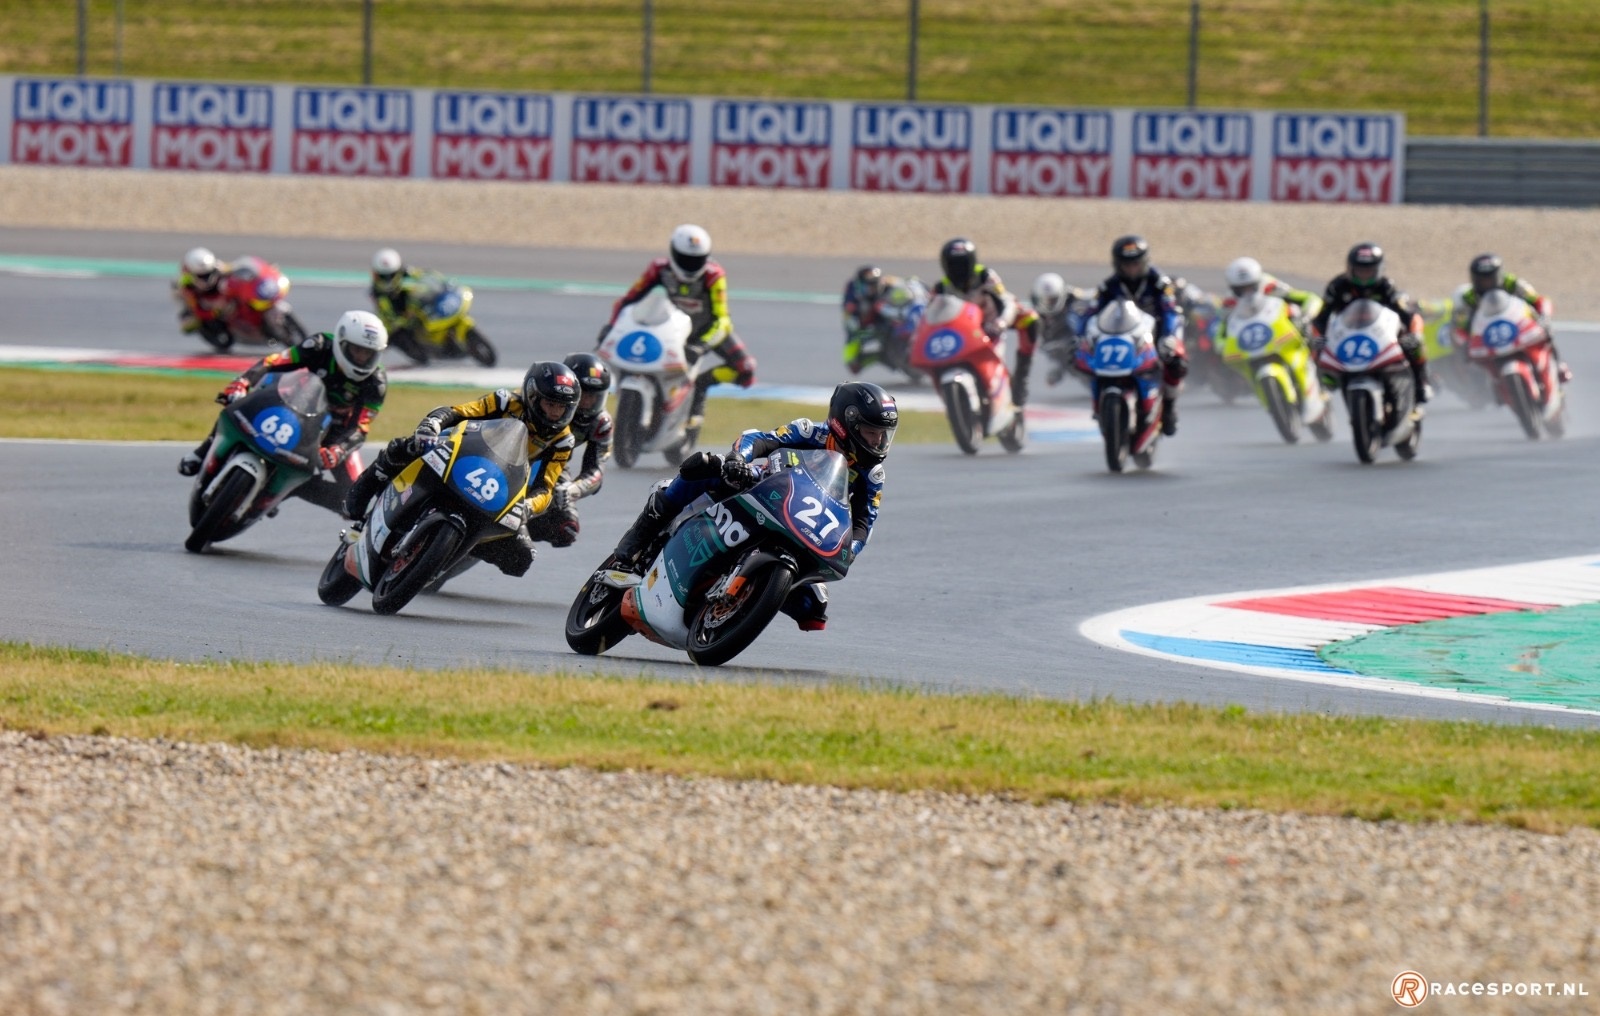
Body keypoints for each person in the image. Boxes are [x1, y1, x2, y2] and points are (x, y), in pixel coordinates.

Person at [603, 381, 899, 631]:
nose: (878, 441)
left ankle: (739, 602)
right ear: (844, 423)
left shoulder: (872, 475)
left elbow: (863, 525)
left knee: (814, 608)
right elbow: (759, 439)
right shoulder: (812, 433)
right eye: (871, 432)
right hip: (764, 488)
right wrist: (738, 460)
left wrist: (848, 549)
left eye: (883, 434)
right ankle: (635, 544)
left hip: (805, 529)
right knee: (703, 467)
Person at [342, 361, 581, 578]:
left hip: (501, 482)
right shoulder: (505, 401)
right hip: (463, 451)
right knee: (402, 448)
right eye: (550, 404)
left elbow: (546, 487)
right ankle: (358, 505)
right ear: (532, 395)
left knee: (521, 558)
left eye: (562, 407)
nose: (555, 413)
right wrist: (431, 425)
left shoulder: (563, 440)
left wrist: (528, 506)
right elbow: (460, 412)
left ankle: (450, 555)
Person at [177, 310, 389, 512]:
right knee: (239, 400)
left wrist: (338, 450)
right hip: (293, 402)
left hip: (335, 429)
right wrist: (242, 382)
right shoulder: (319, 345)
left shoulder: (376, 383)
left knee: (352, 497)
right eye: (357, 350)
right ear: (341, 342)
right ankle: (202, 451)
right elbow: (274, 362)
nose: (362, 358)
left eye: (368, 353)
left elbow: (360, 428)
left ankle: (292, 487)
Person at [598, 224, 757, 444]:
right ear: (673, 253)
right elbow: (628, 300)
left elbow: (722, 320)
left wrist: (700, 346)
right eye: (685, 259)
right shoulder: (659, 268)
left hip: (705, 333)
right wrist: (611, 326)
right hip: (670, 330)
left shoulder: (713, 275)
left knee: (746, 370)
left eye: (696, 260)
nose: (690, 265)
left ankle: (702, 383)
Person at [1092, 235, 1188, 435]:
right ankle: (1099, 407)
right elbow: (1094, 315)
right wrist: (1084, 337)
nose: (1131, 269)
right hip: (1123, 336)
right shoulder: (1109, 286)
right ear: (1118, 265)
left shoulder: (1159, 283)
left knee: (1176, 361)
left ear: (1144, 262)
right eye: (1126, 265)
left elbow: (1170, 311)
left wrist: (1169, 337)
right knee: (1089, 361)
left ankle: (1169, 407)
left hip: (1157, 333)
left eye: (1135, 264)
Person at [1309, 242, 1430, 401]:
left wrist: (1415, 334)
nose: (1364, 276)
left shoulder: (1387, 287)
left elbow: (1410, 316)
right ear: (1350, 269)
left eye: (1369, 271)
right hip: (1347, 338)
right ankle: (1322, 390)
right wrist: (1317, 339)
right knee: (1313, 347)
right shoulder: (1337, 287)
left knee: (1413, 345)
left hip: (1382, 336)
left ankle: (1422, 384)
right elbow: (1320, 319)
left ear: (1379, 270)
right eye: (1360, 271)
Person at [934, 238, 1038, 417]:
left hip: (994, 322)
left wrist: (1002, 321)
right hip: (963, 333)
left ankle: (1021, 379)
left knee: (1030, 320)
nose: (959, 270)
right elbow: (930, 317)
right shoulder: (941, 288)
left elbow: (1005, 299)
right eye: (954, 265)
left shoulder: (985, 276)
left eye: (963, 264)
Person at [526, 352, 614, 550]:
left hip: (555, 464)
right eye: (584, 393)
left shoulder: (601, 422)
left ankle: (516, 532)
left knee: (566, 529)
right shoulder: (540, 399)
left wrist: (571, 490)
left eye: (594, 396)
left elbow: (596, 471)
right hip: (515, 454)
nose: (587, 402)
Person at [1450, 252, 1571, 383]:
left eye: (1490, 279)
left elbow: (1538, 300)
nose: (1486, 283)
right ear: (1474, 280)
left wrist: (1544, 316)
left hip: (1518, 327)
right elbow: (1459, 327)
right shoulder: (1468, 298)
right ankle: (1490, 385)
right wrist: (1465, 342)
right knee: (1470, 364)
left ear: (1498, 275)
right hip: (1490, 336)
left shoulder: (1512, 283)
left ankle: (1558, 364)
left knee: (1547, 331)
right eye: (1482, 280)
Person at [1221, 257, 1323, 329]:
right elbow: (1220, 329)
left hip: (1284, 332)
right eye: (1241, 289)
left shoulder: (1270, 287)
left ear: (1258, 282)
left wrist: (1305, 317)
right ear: (1233, 288)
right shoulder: (1229, 301)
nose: (1248, 292)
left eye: (1251, 287)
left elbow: (1312, 298)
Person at [1030, 272, 1094, 387]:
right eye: (1044, 300)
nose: (1047, 304)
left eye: (1052, 300)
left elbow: (1092, 294)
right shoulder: (1035, 313)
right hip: (1057, 348)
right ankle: (1061, 370)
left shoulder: (1073, 299)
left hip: (1080, 341)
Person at [173, 246, 235, 345]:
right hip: (203, 302)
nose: (206, 278)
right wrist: (214, 313)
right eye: (201, 275)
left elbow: (235, 269)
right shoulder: (185, 284)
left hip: (221, 295)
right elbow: (196, 308)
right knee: (188, 324)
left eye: (209, 273)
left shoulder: (219, 266)